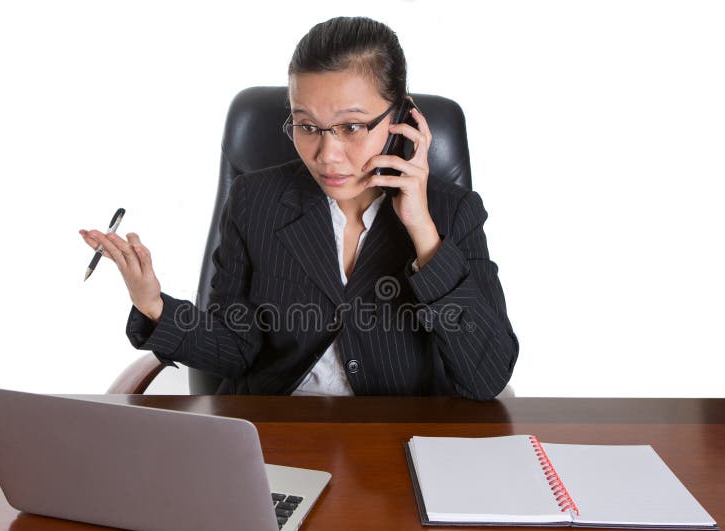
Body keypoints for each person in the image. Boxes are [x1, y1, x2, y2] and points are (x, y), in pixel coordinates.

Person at [79, 16, 519, 399]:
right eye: (307, 126)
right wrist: (154, 305)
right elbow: (236, 348)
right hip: (278, 436)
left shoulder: (451, 212)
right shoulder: (256, 202)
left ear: (401, 117)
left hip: (398, 442)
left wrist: (424, 234)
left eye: (350, 126)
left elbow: (486, 377)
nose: (326, 154)